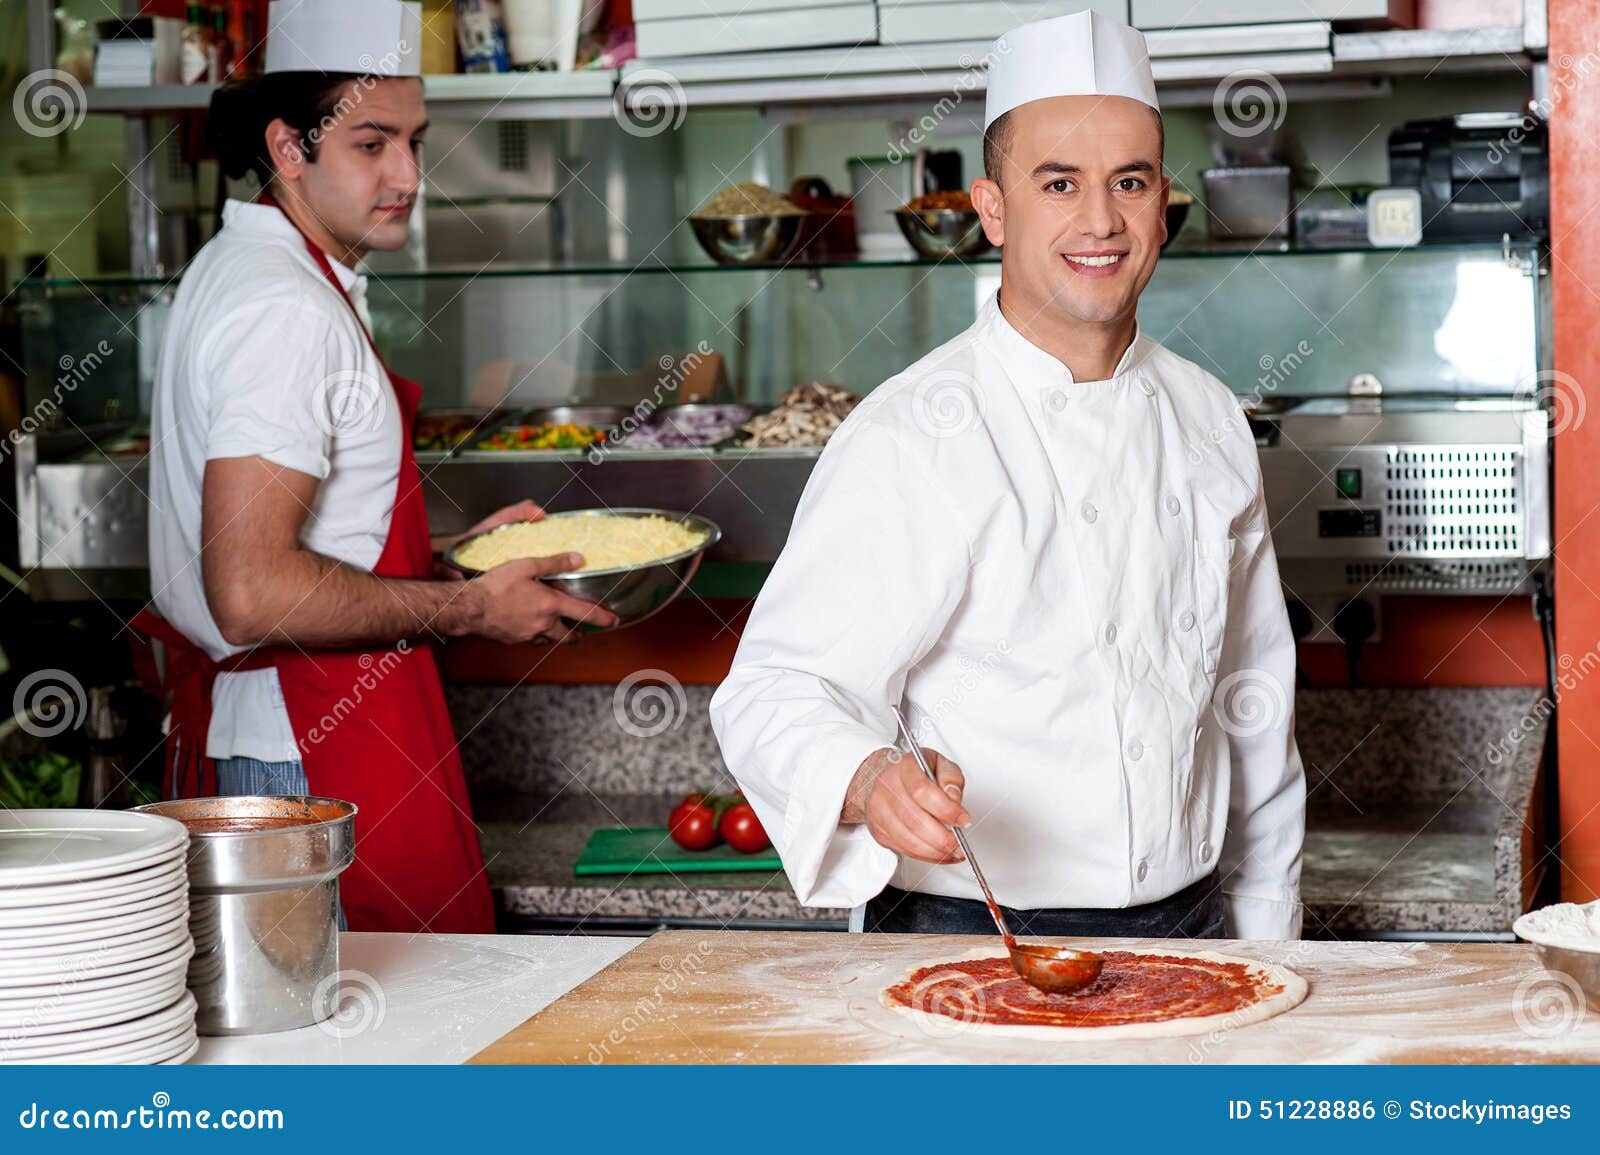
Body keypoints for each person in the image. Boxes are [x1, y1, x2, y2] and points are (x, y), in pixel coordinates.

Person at [710, 10, 1304, 940]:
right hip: (972, 930)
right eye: (1059, 183)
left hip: (1192, 927)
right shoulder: (910, 433)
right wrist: (866, 779)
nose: (1100, 221)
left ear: (1161, 204)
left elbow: (1256, 691)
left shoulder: (1210, 417)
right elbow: (774, 688)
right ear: (992, 208)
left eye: (1130, 182)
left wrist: (1270, 924)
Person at [138, 0, 616, 934]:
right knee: (376, 1042)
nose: (407, 175)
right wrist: (473, 606)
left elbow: (296, 543)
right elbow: (249, 588)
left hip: (299, 735)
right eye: (370, 144)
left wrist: (444, 555)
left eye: (415, 141)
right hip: (310, 754)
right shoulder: (286, 311)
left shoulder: (247, 268)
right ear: (288, 147)